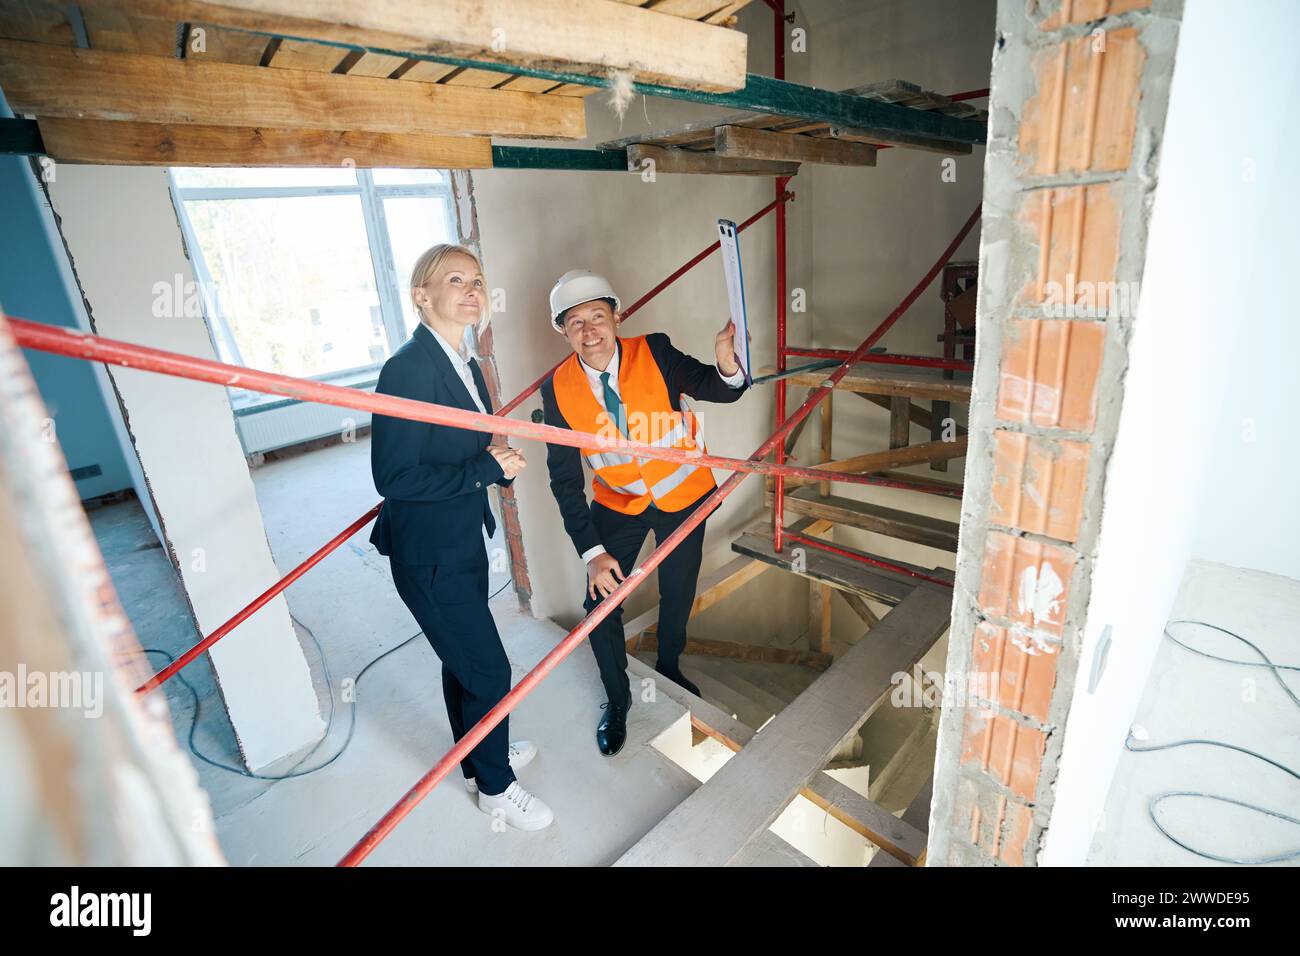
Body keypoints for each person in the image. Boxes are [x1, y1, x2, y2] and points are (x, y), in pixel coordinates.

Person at [370, 243, 552, 830]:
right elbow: (391, 477)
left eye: (477, 279)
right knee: (490, 671)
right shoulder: (408, 368)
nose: (473, 290)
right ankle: (496, 790)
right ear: (422, 297)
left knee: (463, 662)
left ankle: (478, 757)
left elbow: (468, 441)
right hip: (429, 555)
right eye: (456, 281)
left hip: (460, 539)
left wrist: (489, 459)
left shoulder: (464, 361)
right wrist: (485, 469)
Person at [539, 269, 750, 756]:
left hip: (683, 498)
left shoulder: (653, 351)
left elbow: (716, 388)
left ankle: (670, 665)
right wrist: (593, 551)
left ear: (617, 315)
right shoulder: (558, 390)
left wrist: (727, 367)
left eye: (597, 316)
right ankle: (617, 700)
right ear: (563, 332)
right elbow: (564, 479)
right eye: (575, 323)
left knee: (678, 590)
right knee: (600, 606)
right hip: (620, 503)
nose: (590, 331)